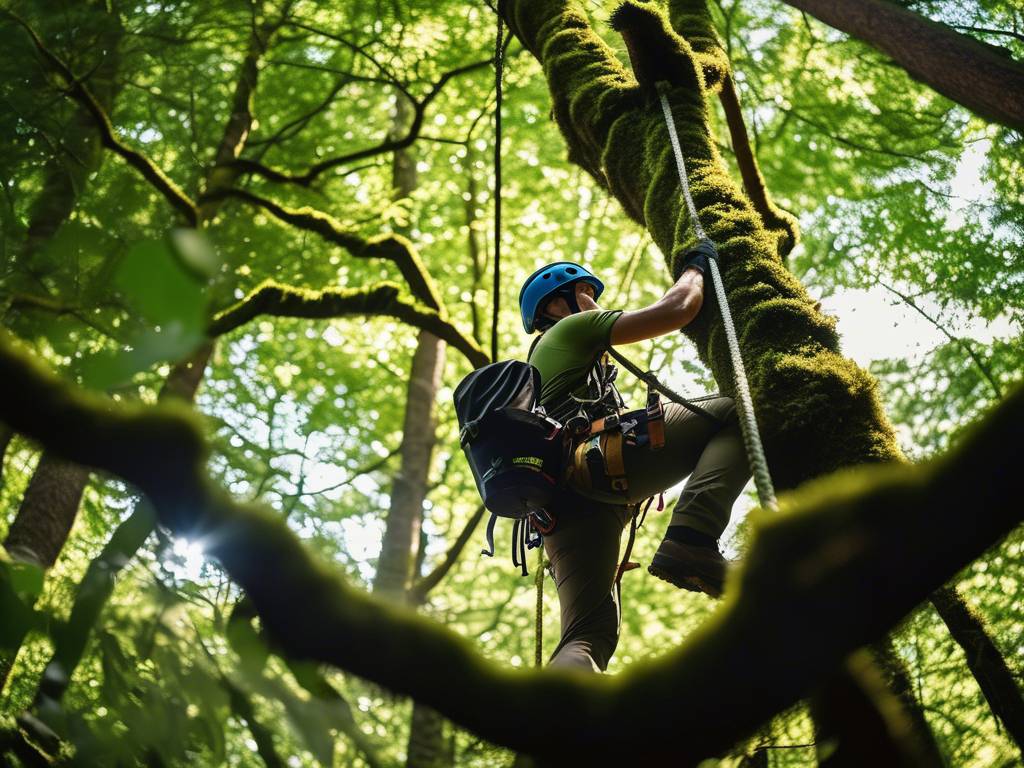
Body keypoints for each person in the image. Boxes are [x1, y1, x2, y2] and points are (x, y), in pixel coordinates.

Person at [520, 258, 750, 672]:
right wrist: (695, 267)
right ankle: (692, 538)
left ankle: (557, 709)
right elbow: (678, 309)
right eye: (585, 293)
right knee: (740, 410)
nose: (592, 301)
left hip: (560, 511)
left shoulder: (548, 370)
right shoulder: (572, 329)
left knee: (587, 635)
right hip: (598, 466)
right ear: (559, 304)